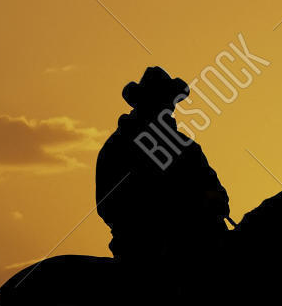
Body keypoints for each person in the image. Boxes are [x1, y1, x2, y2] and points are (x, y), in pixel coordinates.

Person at [95, 66, 231, 264]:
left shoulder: (188, 148)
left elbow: (215, 191)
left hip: (194, 241)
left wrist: (215, 205)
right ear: (145, 102)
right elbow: (109, 205)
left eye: (170, 100)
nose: (170, 106)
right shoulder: (118, 147)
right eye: (163, 100)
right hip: (141, 248)